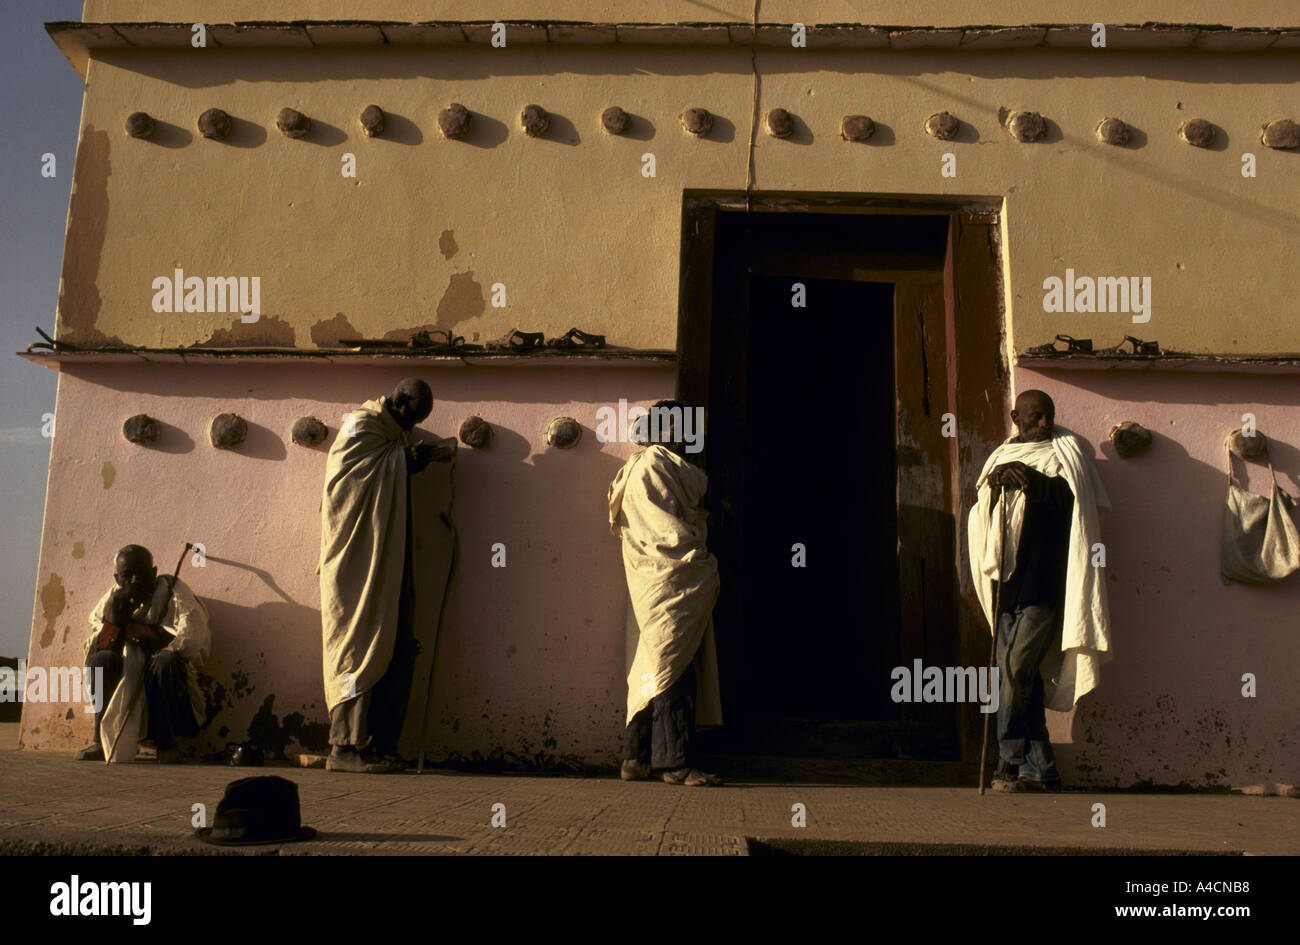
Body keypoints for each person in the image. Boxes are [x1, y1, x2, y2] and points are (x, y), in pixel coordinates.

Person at [968, 390, 1112, 792]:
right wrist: (997, 481)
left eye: (1049, 416)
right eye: (1036, 417)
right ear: (1016, 417)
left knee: (1015, 670)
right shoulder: (999, 458)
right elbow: (980, 512)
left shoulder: (1065, 455)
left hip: (1046, 585)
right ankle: (1043, 768)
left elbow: (1073, 506)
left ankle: (1008, 762)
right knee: (1015, 675)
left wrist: (1029, 479)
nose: (1045, 424)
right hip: (1007, 585)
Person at [320, 378, 455, 773]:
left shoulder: (388, 439)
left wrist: (411, 459)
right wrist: (404, 461)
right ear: (399, 401)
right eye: (412, 420)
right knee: (358, 642)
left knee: (397, 642)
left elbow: (385, 471)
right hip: (356, 561)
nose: (411, 430)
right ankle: (345, 747)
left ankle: (379, 745)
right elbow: (349, 489)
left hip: (389, 556)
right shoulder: (361, 428)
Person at [608, 400, 723, 787]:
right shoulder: (653, 466)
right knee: (674, 667)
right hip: (666, 579)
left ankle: (635, 758)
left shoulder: (665, 468)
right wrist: (700, 559)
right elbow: (663, 533)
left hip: (658, 582)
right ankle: (674, 763)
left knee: (653, 666)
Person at [77, 544, 210, 763]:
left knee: (166, 661)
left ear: (154, 572)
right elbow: (98, 643)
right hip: (126, 675)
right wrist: (117, 623)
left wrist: (150, 639)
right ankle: (100, 742)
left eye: (142, 573)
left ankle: (166, 743)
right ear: (117, 578)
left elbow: (193, 637)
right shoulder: (112, 599)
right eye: (128, 575)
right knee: (101, 661)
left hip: (159, 675)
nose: (136, 581)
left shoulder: (171, 590)